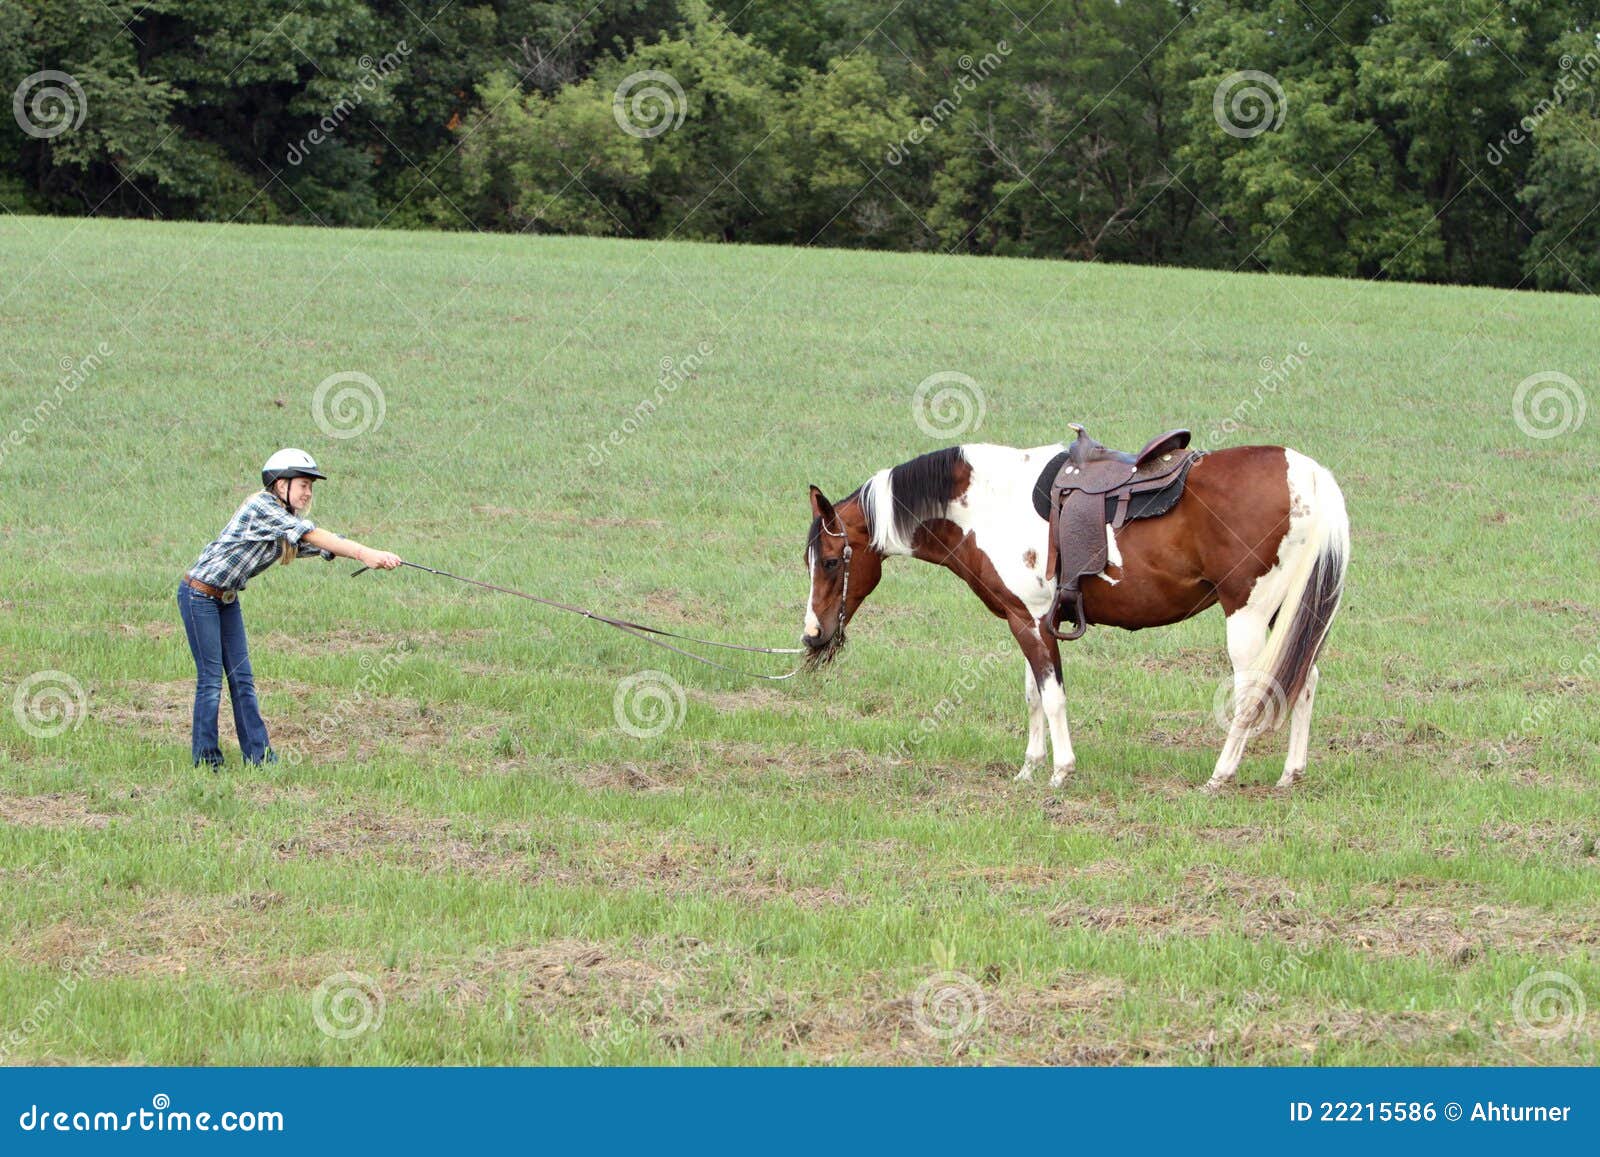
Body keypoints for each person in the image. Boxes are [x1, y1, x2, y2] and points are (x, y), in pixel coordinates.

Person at [178, 449, 402, 769]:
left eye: (311, 486)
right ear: (279, 484)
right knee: (211, 680)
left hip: (226, 599)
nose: (308, 492)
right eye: (302, 484)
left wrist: (375, 558)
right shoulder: (262, 507)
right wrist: (364, 552)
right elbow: (311, 535)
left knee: (242, 680)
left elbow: (317, 542)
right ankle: (206, 761)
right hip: (199, 596)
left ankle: (260, 758)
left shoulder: (287, 521)